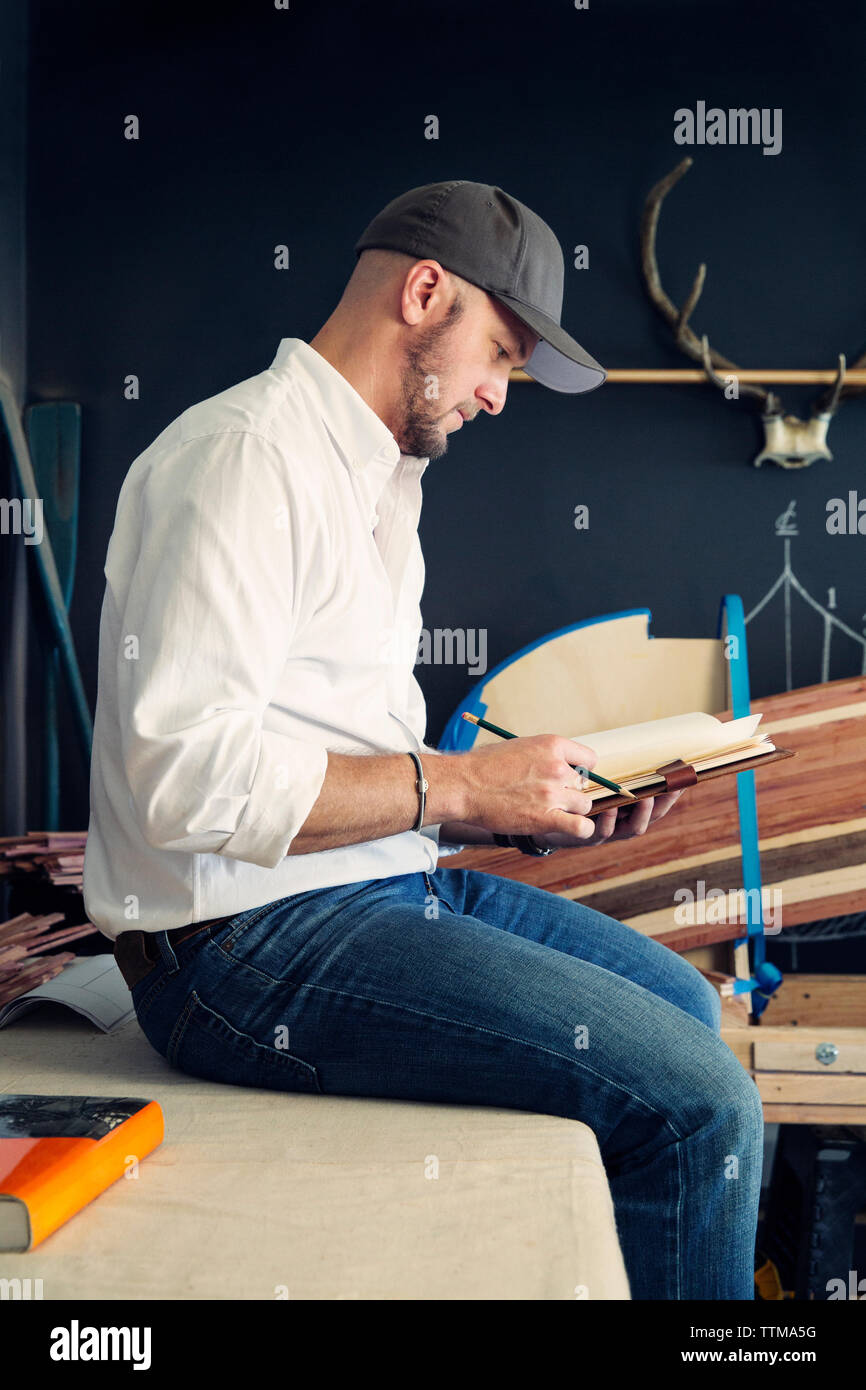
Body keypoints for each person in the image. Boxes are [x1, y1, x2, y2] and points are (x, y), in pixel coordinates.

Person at [83, 180, 764, 1300]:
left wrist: (539, 808)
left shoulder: (384, 484)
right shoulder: (239, 459)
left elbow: (378, 776)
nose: (502, 396)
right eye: (499, 354)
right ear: (424, 291)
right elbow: (181, 782)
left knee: (691, 1010)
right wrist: (457, 785)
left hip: (376, 888)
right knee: (699, 1101)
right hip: (236, 945)